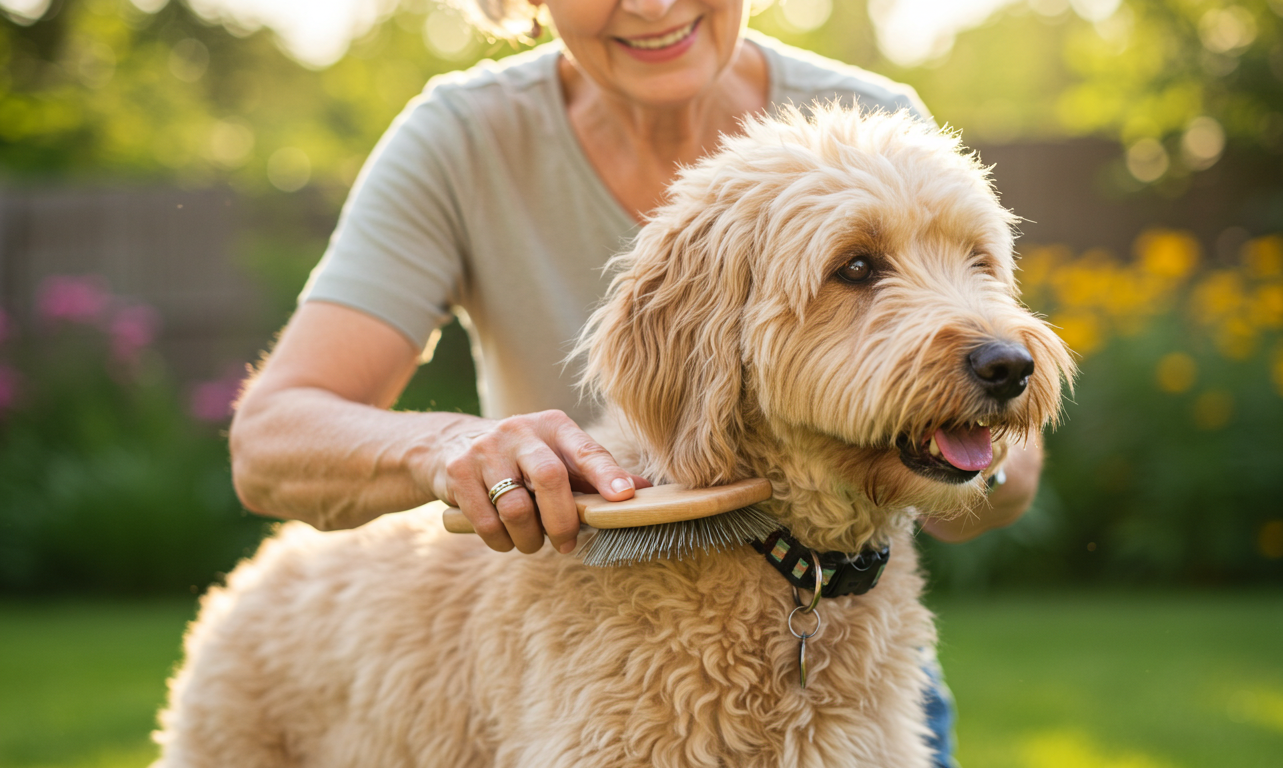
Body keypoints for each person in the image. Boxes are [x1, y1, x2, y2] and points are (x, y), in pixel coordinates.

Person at [229, 1, 1043, 765]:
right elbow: (270, 441)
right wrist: (452, 447)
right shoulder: (461, 139)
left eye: (974, 260)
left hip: (866, 635)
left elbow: (998, 477)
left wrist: (974, 458)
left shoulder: (877, 125)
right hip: (540, 604)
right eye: (859, 268)